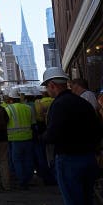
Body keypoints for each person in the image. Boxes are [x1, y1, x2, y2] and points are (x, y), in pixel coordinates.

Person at [42, 67, 103, 204]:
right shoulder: (83, 102)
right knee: (87, 199)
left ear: (52, 85)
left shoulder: (58, 105)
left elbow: (53, 134)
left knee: (73, 200)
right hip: (88, 158)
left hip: (68, 159)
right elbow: (97, 129)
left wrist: (43, 137)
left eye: (47, 86)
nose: (47, 90)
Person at [2, 87, 35, 189]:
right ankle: (29, 179)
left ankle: (22, 180)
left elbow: (4, 123)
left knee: (17, 161)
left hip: (15, 139)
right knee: (28, 160)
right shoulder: (28, 108)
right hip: (28, 138)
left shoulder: (8, 109)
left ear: (11, 99)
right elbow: (33, 123)